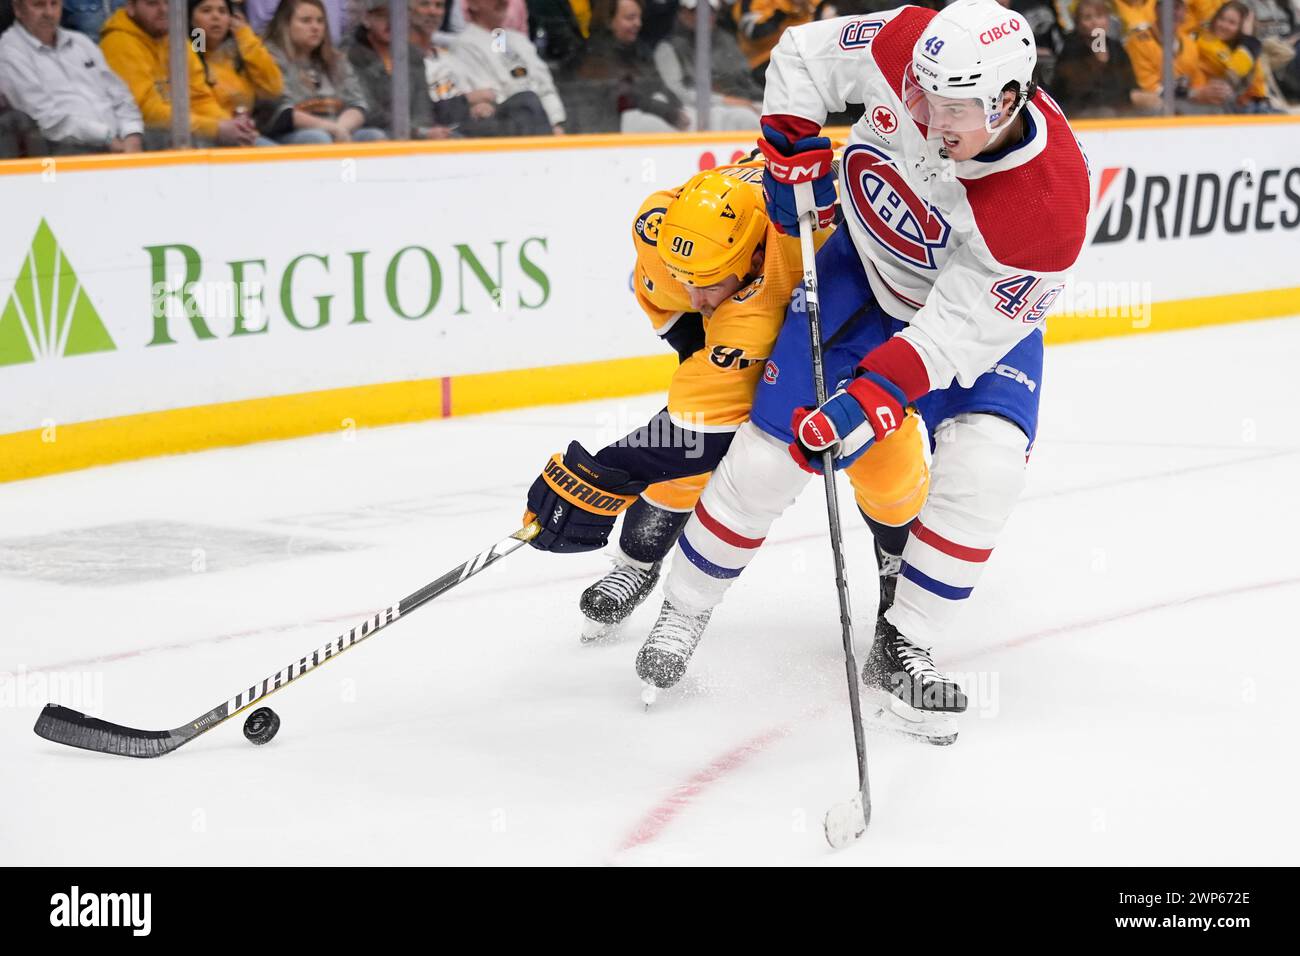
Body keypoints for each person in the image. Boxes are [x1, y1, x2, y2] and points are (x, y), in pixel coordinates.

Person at [623, 0, 1091, 737]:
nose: (929, 123)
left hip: (967, 329)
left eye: (952, 110)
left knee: (988, 470)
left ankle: (906, 646)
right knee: (768, 459)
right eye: (921, 97)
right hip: (860, 277)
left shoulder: (1046, 211)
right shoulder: (906, 42)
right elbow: (802, 54)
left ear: (1007, 101)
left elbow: (948, 338)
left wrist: (869, 399)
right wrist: (789, 140)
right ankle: (682, 611)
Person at [521, 159, 930, 657]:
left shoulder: (820, 234)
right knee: (691, 447)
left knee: (888, 461)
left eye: (709, 281)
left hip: (842, 335)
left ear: (757, 254)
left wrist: (613, 468)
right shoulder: (658, 235)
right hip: (746, 330)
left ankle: (899, 578)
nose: (695, 294)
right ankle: (638, 559)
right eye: (685, 278)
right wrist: (606, 470)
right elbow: (687, 363)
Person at [100, 0, 250, 146]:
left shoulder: (177, 39)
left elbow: (200, 98)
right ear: (131, 7)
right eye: (152, 3)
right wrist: (216, 128)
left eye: (168, 3)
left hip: (197, 125)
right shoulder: (119, 43)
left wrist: (232, 126)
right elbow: (146, 112)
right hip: (148, 137)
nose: (163, 9)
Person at [0, 0, 144, 152]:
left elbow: (120, 95)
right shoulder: (9, 53)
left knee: (166, 139)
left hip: (121, 141)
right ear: (18, 9)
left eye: (54, 4)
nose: (49, 13)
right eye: (38, 5)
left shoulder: (81, 42)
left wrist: (132, 133)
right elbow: (47, 121)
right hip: (67, 150)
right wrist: (108, 138)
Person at [411, 0, 553, 135]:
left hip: (467, 127)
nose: (433, 11)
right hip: (441, 135)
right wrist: (469, 100)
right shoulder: (465, 44)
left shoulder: (449, 58)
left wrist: (557, 121)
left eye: (439, 5)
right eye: (424, 4)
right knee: (526, 102)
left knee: (527, 102)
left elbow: (541, 84)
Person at [264, 0, 386, 142]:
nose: (315, 27)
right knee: (318, 138)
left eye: (320, 21)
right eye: (306, 21)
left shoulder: (337, 59)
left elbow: (357, 104)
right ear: (285, 24)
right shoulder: (269, 58)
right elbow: (282, 112)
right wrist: (330, 128)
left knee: (375, 137)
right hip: (288, 134)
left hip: (337, 129)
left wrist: (341, 128)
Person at [561, 0, 687, 131]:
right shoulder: (594, 54)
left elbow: (656, 82)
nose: (638, 23)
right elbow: (624, 96)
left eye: (639, 17)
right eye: (630, 18)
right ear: (609, 21)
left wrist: (677, 105)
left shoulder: (639, 49)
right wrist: (666, 112)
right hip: (602, 134)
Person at [453, 0, 565, 132]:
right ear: (473, 3)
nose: (503, 2)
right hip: (506, 128)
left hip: (543, 125)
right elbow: (488, 96)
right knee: (528, 99)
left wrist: (556, 123)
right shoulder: (464, 44)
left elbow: (546, 87)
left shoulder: (520, 40)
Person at [653, 0, 764, 129]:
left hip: (745, 102)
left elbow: (746, 80)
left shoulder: (726, 41)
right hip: (698, 110)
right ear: (681, 13)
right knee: (744, 118)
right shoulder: (667, 48)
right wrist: (726, 101)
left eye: (710, 10)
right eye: (695, 11)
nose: (704, 15)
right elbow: (677, 92)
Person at [189, 0, 285, 143]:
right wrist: (237, 127)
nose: (216, 17)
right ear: (191, 20)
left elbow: (274, 88)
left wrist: (244, 35)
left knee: (312, 138)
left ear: (232, 18)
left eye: (222, 11)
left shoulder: (238, 51)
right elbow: (200, 104)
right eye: (206, 10)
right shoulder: (189, 53)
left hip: (249, 130)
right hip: (208, 135)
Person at [343, 0, 445, 136]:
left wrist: (424, 130)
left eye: (398, 16)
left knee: (455, 140)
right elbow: (368, 109)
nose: (391, 22)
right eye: (383, 16)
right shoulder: (351, 55)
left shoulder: (413, 54)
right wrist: (417, 132)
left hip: (417, 131)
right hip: (372, 132)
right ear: (366, 19)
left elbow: (422, 106)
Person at [1052, 0, 1159, 115]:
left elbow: (1130, 84)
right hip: (1080, 113)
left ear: (1108, 20)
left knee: (1156, 106)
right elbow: (1080, 94)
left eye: (1099, 16)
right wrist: (1128, 97)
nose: (1095, 22)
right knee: (1106, 112)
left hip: (1120, 107)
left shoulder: (1116, 48)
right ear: (1078, 23)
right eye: (1087, 18)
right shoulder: (1071, 49)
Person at [1196, 0, 1277, 110]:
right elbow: (1232, 75)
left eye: (1232, 23)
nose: (1223, 25)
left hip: (1251, 106)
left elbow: (1258, 91)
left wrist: (1247, 42)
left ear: (1242, 27)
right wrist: (1248, 40)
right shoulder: (1205, 41)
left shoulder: (1243, 47)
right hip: (1218, 108)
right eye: (1221, 19)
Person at [730, 0, 815, 86]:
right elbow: (753, 31)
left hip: (804, 55)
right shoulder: (752, 3)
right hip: (764, 61)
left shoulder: (811, 3)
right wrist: (783, 13)